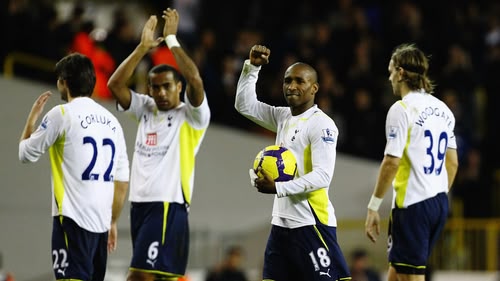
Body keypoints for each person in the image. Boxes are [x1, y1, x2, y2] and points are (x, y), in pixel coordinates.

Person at [107, 7, 210, 281]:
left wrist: (172, 41)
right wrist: (142, 48)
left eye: (167, 86)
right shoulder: (145, 108)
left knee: (139, 276)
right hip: (139, 205)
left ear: (179, 87)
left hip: (166, 204)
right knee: (162, 277)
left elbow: (196, 81)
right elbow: (115, 85)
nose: (161, 92)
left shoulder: (192, 116)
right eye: (155, 87)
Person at [235, 45, 351, 281]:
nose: (292, 86)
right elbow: (244, 105)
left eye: (300, 81)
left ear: (314, 88)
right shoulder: (283, 117)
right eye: (288, 81)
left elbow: (322, 176)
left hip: (312, 223)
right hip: (281, 225)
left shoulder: (322, 124)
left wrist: (278, 188)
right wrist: (252, 68)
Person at [18, 53, 130, 281]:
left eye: (59, 79)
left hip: (72, 222)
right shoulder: (113, 124)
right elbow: (121, 183)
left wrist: (31, 120)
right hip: (100, 227)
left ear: (65, 82)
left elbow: (24, 154)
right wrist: (112, 222)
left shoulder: (61, 114)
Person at [364, 43, 459, 281]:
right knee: (398, 271)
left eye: (390, 71)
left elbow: (391, 162)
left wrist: (373, 206)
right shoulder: (443, 110)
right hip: (438, 202)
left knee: (411, 276)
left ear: (401, 72)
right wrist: (436, 193)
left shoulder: (402, 109)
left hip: (413, 205)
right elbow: (453, 163)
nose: (389, 78)